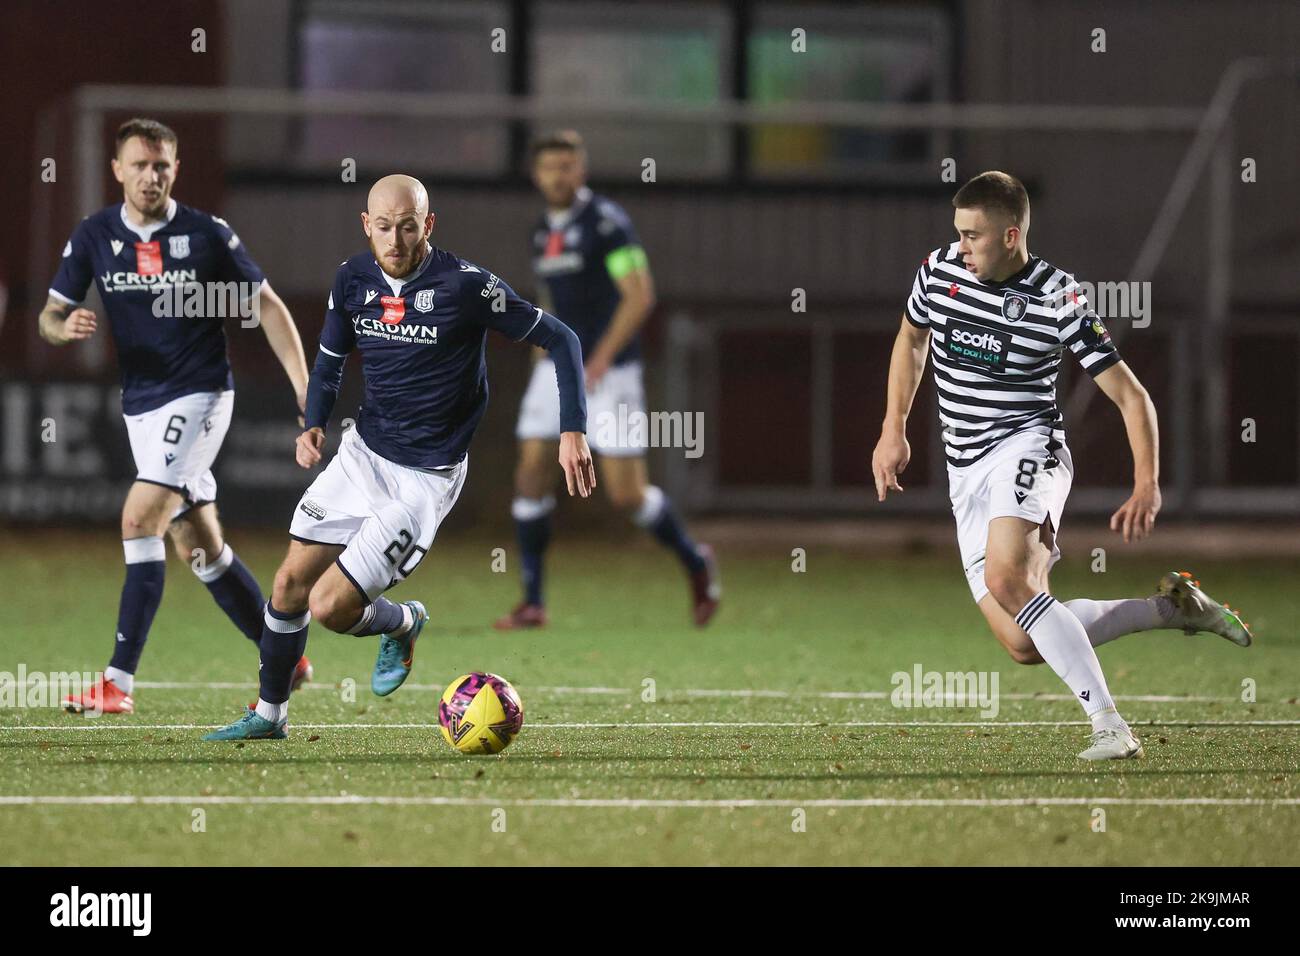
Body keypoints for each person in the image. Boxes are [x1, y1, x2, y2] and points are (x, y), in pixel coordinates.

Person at [871, 170, 1251, 761]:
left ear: (1012, 235)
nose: (961, 246)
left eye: (973, 236)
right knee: (1023, 641)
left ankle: (1109, 724)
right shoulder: (939, 269)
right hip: (963, 470)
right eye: (959, 233)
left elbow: (1131, 396)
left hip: (1028, 447)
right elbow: (911, 338)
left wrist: (1146, 482)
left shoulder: (1059, 296)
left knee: (1006, 578)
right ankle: (1175, 608)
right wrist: (893, 427)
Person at [204, 174, 595, 741]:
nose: (394, 239)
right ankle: (269, 716)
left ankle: (404, 620)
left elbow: (562, 339)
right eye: (383, 226)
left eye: (407, 226)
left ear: (427, 224)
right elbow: (332, 359)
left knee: (331, 607)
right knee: (288, 585)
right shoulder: (353, 280)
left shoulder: (466, 287)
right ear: (367, 225)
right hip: (362, 455)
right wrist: (313, 422)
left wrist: (572, 431)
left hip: (423, 481)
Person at [41, 118, 311, 715]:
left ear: (175, 169)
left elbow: (265, 305)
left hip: (201, 393)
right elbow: (49, 315)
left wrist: (303, 385)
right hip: (140, 403)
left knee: (140, 518)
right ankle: (284, 653)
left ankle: (117, 682)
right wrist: (65, 329)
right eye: (138, 164)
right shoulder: (93, 236)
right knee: (199, 546)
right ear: (117, 170)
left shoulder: (205, 233)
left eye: (161, 165)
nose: (150, 175)